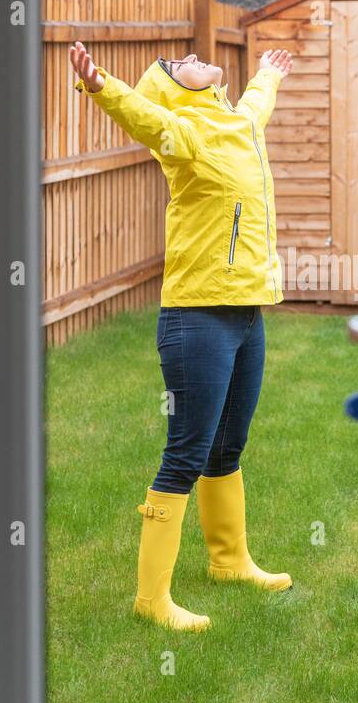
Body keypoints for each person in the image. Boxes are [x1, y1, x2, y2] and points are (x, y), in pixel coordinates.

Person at [70, 42, 295, 632]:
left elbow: (255, 106)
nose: (192, 55)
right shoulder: (184, 134)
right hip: (197, 317)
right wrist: (101, 86)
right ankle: (152, 600)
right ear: (178, 89)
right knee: (186, 454)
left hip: (247, 312)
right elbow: (146, 118)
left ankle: (230, 561)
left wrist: (268, 75)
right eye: (179, 65)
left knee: (229, 446)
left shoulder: (235, 122)